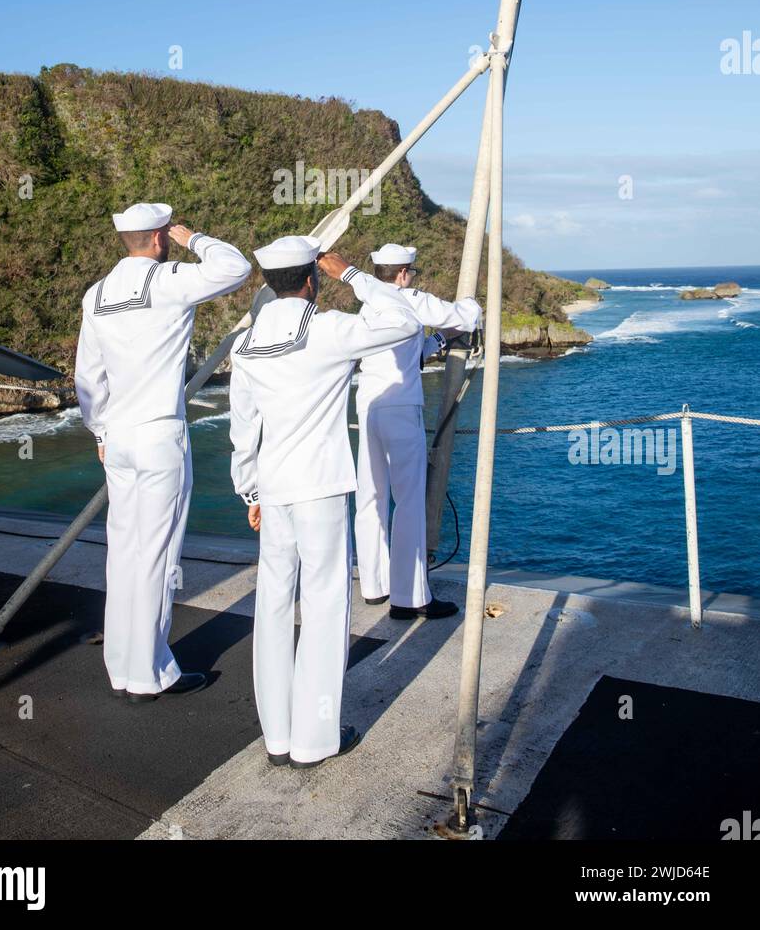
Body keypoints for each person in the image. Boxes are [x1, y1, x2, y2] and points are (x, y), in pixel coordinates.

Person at [228, 235, 419, 769]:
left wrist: (251, 490)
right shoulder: (330, 328)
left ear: (270, 280)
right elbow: (404, 322)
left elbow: (243, 429)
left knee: (271, 605)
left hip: (275, 488)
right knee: (325, 606)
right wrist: (354, 277)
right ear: (312, 278)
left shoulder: (246, 344)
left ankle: (278, 737)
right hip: (322, 487)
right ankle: (315, 740)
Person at [75, 202, 251, 704]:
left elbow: (89, 378)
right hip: (158, 437)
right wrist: (195, 237)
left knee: (125, 554)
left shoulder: (98, 294)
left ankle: (122, 668)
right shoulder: (169, 280)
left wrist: (101, 433)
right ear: (158, 239)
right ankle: (151, 674)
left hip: (119, 438)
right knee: (156, 555)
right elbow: (235, 268)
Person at [354, 242, 481, 620]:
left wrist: (438, 342)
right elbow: (464, 315)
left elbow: (405, 352)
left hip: (368, 403)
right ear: (404, 273)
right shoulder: (411, 298)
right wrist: (472, 303)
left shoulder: (368, 305)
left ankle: (375, 586)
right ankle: (410, 599)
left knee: (371, 494)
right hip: (401, 406)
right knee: (408, 500)